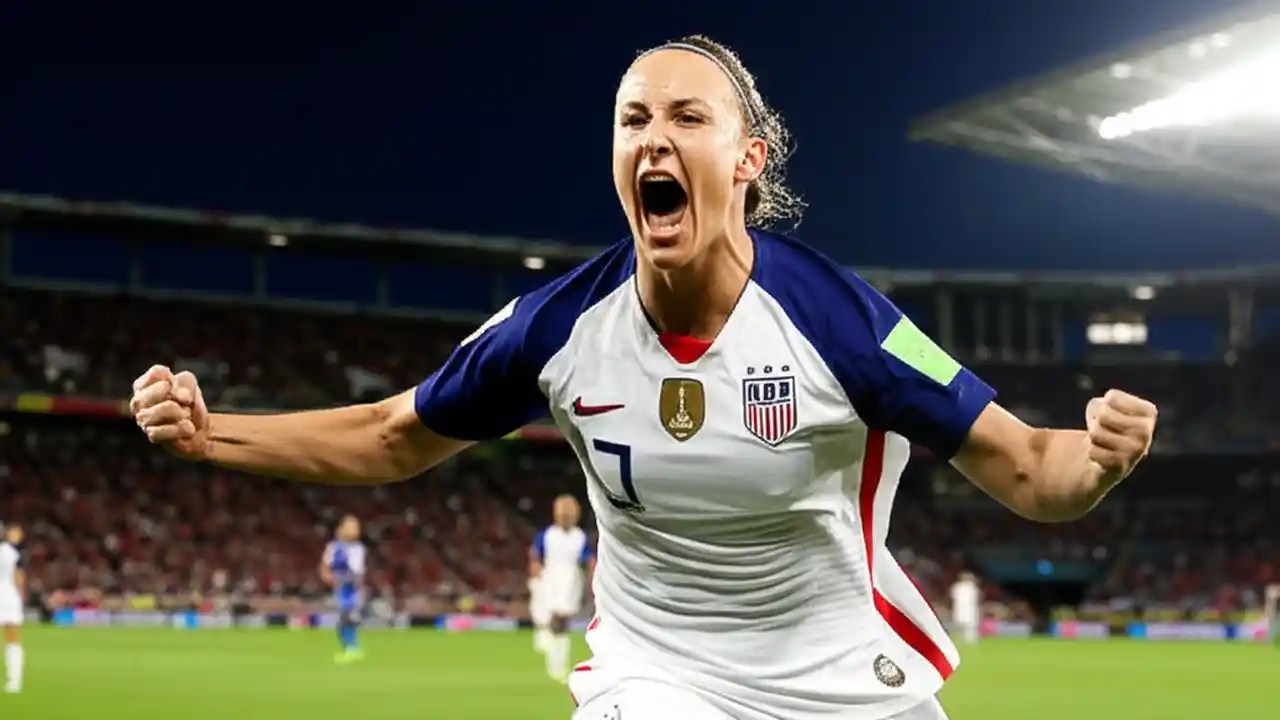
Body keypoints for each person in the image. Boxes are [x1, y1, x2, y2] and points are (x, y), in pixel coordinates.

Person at [129, 34, 1158, 720]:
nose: (653, 137)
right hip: (655, 676)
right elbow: (396, 433)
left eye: (685, 116)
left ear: (747, 159)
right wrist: (212, 434)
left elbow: (1027, 466)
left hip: (842, 683)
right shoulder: (557, 326)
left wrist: (1098, 460)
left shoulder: (836, 321)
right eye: (631, 119)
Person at [529, 494, 595, 683]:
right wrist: (535, 575)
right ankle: (556, 665)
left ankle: (555, 658)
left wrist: (592, 574)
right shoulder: (547, 535)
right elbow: (535, 556)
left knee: (561, 621)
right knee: (556, 621)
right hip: (550, 579)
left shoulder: (579, 537)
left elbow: (586, 559)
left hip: (571, 581)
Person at [319, 515, 366, 664]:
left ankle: (352, 650)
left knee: (347, 620)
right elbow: (324, 566)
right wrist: (327, 575)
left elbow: (356, 575)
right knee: (343, 622)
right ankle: (351, 649)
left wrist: (336, 579)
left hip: (351, 590)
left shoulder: (357, 549)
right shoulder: (334, 547)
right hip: (341, 590)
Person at [0, 523, 25, 694]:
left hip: (7, 596)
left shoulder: (11, 552)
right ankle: (14, 682)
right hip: (9, 596)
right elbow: (19, 577)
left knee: (12, 638)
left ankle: (14, 681)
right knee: (12, 638)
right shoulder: (13, 553)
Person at [948, 572, 981, 645]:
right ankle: (970, 643)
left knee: (961, 628)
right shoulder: (972, 588)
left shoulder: (957, 587)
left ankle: (961, 642)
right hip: (968, 610)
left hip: (961, 610)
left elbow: (952, 598)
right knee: (970, 629)